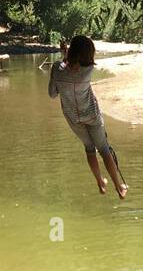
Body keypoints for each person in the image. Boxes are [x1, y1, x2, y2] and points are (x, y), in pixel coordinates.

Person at [48, 35, 128, 198]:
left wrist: (63, 57)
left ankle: (100, 182)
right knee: (104, 149)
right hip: (92, 115)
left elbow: (52, 94)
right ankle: (119, 187)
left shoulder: (57, 68)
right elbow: (75, 65)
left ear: (71, 52)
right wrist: (68, 54)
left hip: (73, 119)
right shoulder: (88, 70)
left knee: (90, 149)